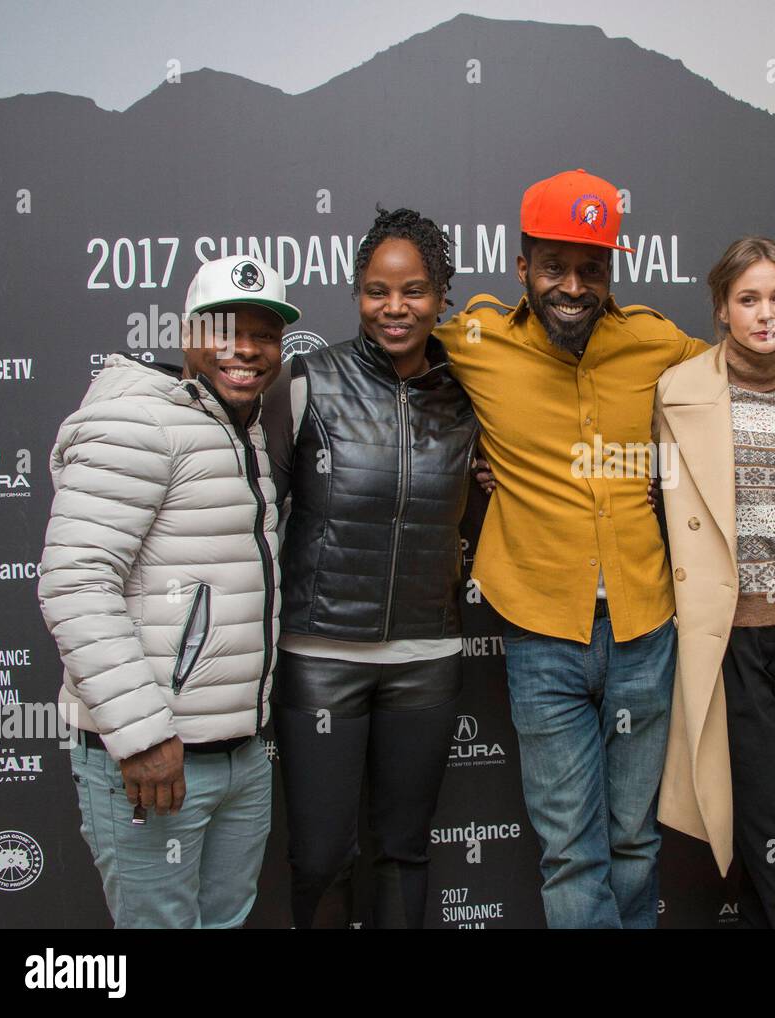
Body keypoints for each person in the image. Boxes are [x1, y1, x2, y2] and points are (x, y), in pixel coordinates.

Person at [438, 168, 775, 928]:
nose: (572, 285)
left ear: (611, 272)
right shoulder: (475, 338)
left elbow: (765, 364)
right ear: (520, 265)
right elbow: (397, 350)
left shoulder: (656, 342)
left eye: (590, 269)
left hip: (644, 630)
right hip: (540, 631)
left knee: (633, 839)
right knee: (570, 849)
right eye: (553, 266)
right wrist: (464, 465)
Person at [39, 255, 296, 928]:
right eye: (223, 329)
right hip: (155, 761)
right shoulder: (137, 421)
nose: (245, 349)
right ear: (187, 333)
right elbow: (76, 582)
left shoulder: (238, 428)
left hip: (238, 752)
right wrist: (143, 736)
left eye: (264, 334)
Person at [262, 206, 477, 929]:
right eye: (378, 291)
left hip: (426, 654)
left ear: (442, 296)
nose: (395, 308)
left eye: (414, 291)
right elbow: (255, 518)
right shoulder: (306, 383)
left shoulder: (467, 394)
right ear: (357, 293)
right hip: (322, 655)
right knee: (321, 854)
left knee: (403, 850)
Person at [653, 237, 775, 928]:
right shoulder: (677, 394)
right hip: (729, 638)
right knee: (769, 815)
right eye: (748, 299)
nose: (766, 314)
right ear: (722, 309)